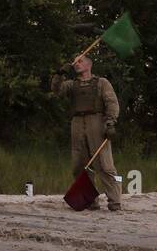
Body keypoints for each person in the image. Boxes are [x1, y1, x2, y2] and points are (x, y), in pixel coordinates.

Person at [50, 53, 122, 211]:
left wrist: (110, 122)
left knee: (105, 165)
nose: (76, 63)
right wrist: (59, 74)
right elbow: (57, 90)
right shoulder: (71, 84)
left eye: (80, 60)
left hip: (96, 122)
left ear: (89, 64)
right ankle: (90, 201)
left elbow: (111, 102)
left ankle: (115, 202)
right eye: (75, 61)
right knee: (80, 165)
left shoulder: (102, 82)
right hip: (77, 123)